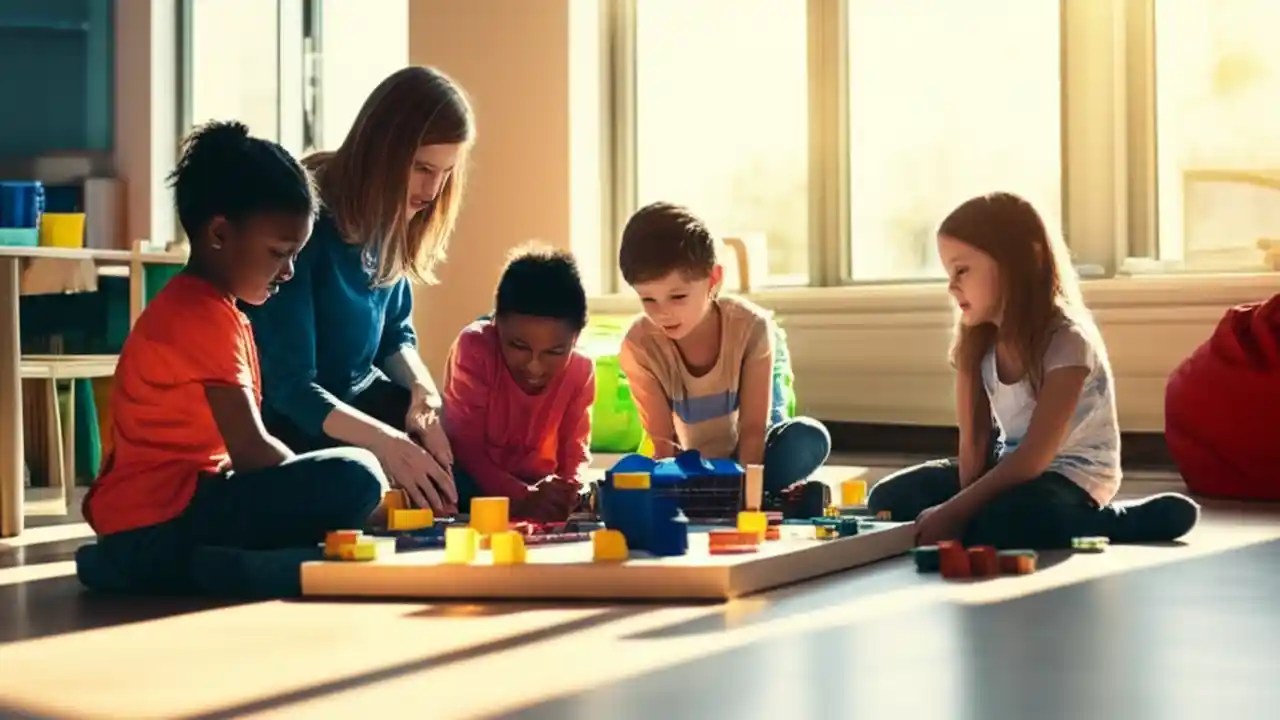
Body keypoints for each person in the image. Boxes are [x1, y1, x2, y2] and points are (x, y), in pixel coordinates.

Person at [76, 120, 387, 595]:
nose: (288, 271)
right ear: (220, 233)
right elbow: (252, 451)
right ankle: (218, 568)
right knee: (357, 475)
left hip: (155, 518)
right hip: (159, 524)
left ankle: (159, 564)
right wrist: (364, 501)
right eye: (279, 253)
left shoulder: (207, 308)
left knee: (338, 474)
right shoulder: (201, 316)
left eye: (295, 255)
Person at [867, 191, 1200, 548]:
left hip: (1070, 476)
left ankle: (1116, 521)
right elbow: (975, 442)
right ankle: (993, 517)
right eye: (949, 273)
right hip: (1010, 468)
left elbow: (1034, 456)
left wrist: (956, 513)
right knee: (887, 500)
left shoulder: (1067, 340)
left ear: (1019, 261)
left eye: (962, 270)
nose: (951, 287)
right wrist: (961, 506)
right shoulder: (977, 342)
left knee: (1004, 524)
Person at [241, 66, 475, 514]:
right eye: (422, 169)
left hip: (363, 406)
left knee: (465, 466)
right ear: (384, 153)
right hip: (297, 422)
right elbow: (291, 390)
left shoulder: (396, 218)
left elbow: (395, 335)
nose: (432, 190)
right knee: (359, 480)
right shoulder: (305, 224)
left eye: (446, 173)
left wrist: (423, 392)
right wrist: (388, 444)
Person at [616, 202, 831, 499]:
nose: (662, 313)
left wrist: (745, 495)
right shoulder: (639, 345)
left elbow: (754, 429)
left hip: (754, 457)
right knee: (628, 472)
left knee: (807, 438)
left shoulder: (751, 327)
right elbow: (663, 441)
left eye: (677, 296)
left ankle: (759, 490)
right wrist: (672, 485)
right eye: (648, 300)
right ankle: (743, 493)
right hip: (692, 465)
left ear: (714, 280)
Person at [442, 246, 594, 521]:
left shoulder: (581, 370)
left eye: (554, 352)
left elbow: (575, 453)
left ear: (576, 337)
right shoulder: (475, 348)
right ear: (496, 323)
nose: (535, 366)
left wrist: (568, 490)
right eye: (518, 346)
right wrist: (523, 496)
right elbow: (465, 450)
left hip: (536, 489)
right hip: (470, 488)